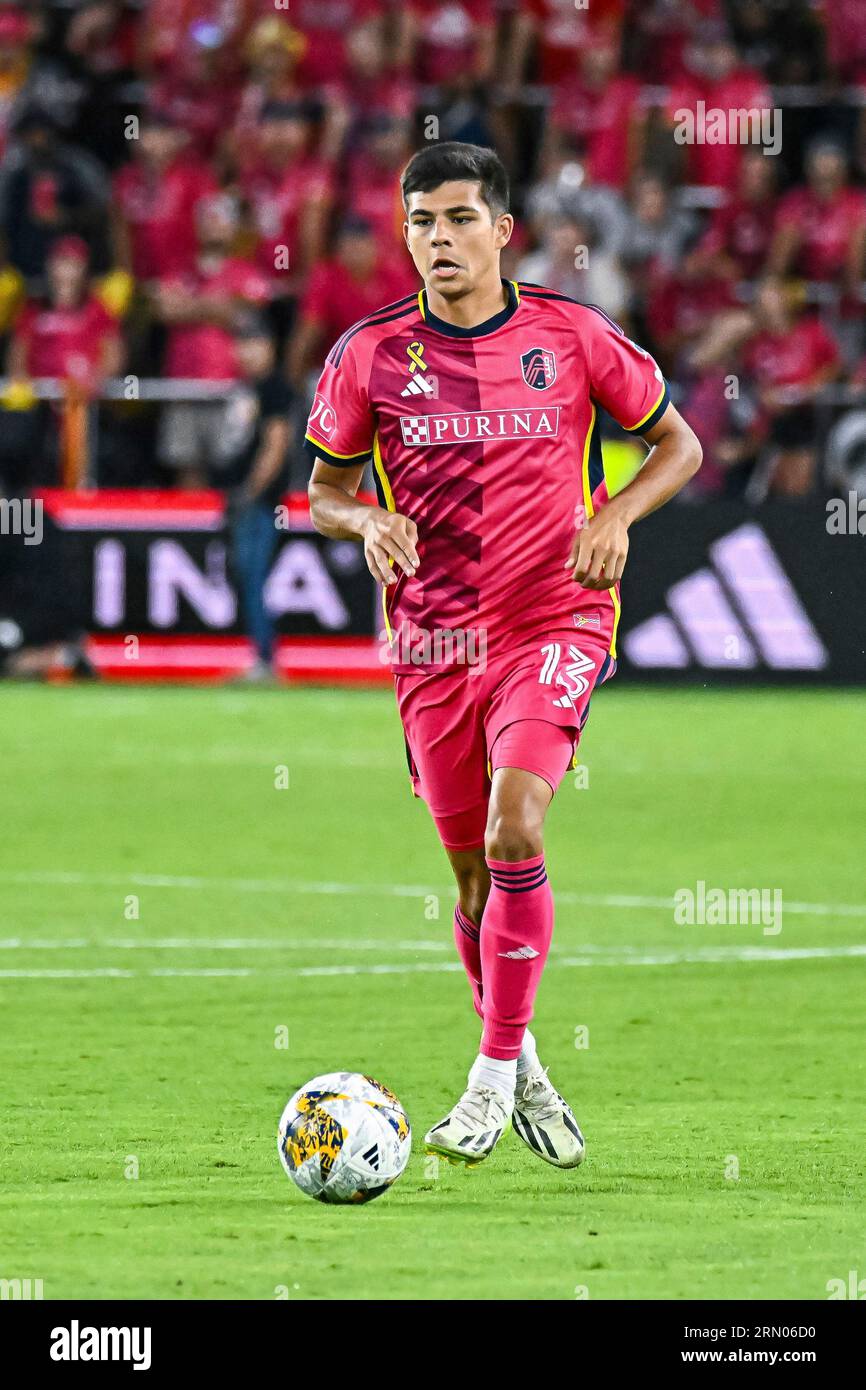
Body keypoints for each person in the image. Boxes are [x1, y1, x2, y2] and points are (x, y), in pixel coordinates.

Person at [306, 142, 702, 1168]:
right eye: (421, 223)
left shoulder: (570, 335)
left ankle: (483, 1082)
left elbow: (678, 445)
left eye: (457, 220)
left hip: (553, 617)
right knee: (474, 883)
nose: (439, 240)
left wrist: (614, 512)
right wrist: (360, 525)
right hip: (435, 639)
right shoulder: (368, 355)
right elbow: (322, 488)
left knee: (515, 821)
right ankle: (520, 1062)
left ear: (501, 231)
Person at [217, 315, 293, 680]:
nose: (245, 351)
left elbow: (275, 446)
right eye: (241, 343)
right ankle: (259, 654)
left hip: (262, 503)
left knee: (253, 575)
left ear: (269, 347)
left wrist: (250, 491)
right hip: (250, 498)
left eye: (253, 343)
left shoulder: (274, 388)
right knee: (247, 575)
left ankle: (265, 657)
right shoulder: (248, 387)